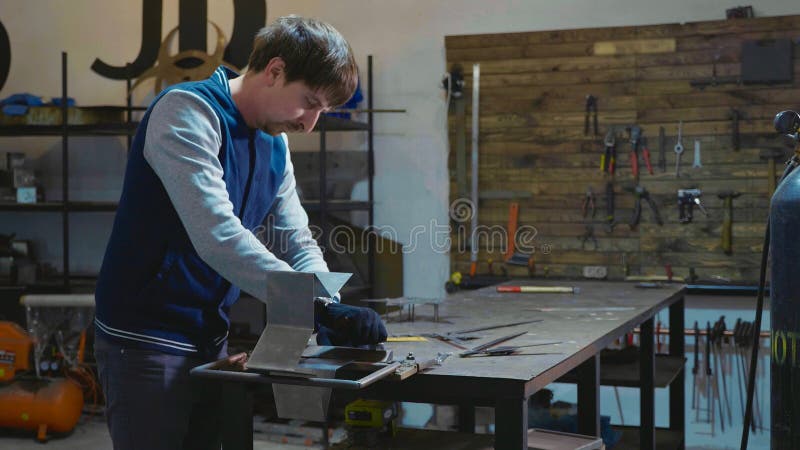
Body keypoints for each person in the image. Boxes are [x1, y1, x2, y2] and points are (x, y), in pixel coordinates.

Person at [93, 16, 387, 450]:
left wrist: (328, 302)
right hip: (145, 341)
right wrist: (312, 305)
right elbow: (219, 236)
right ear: (274, 70)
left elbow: (296, 238)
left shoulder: (274, 143)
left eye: (322, 110)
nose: (310, 125)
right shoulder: (187, 113)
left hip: (210, 337)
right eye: (308, 102)